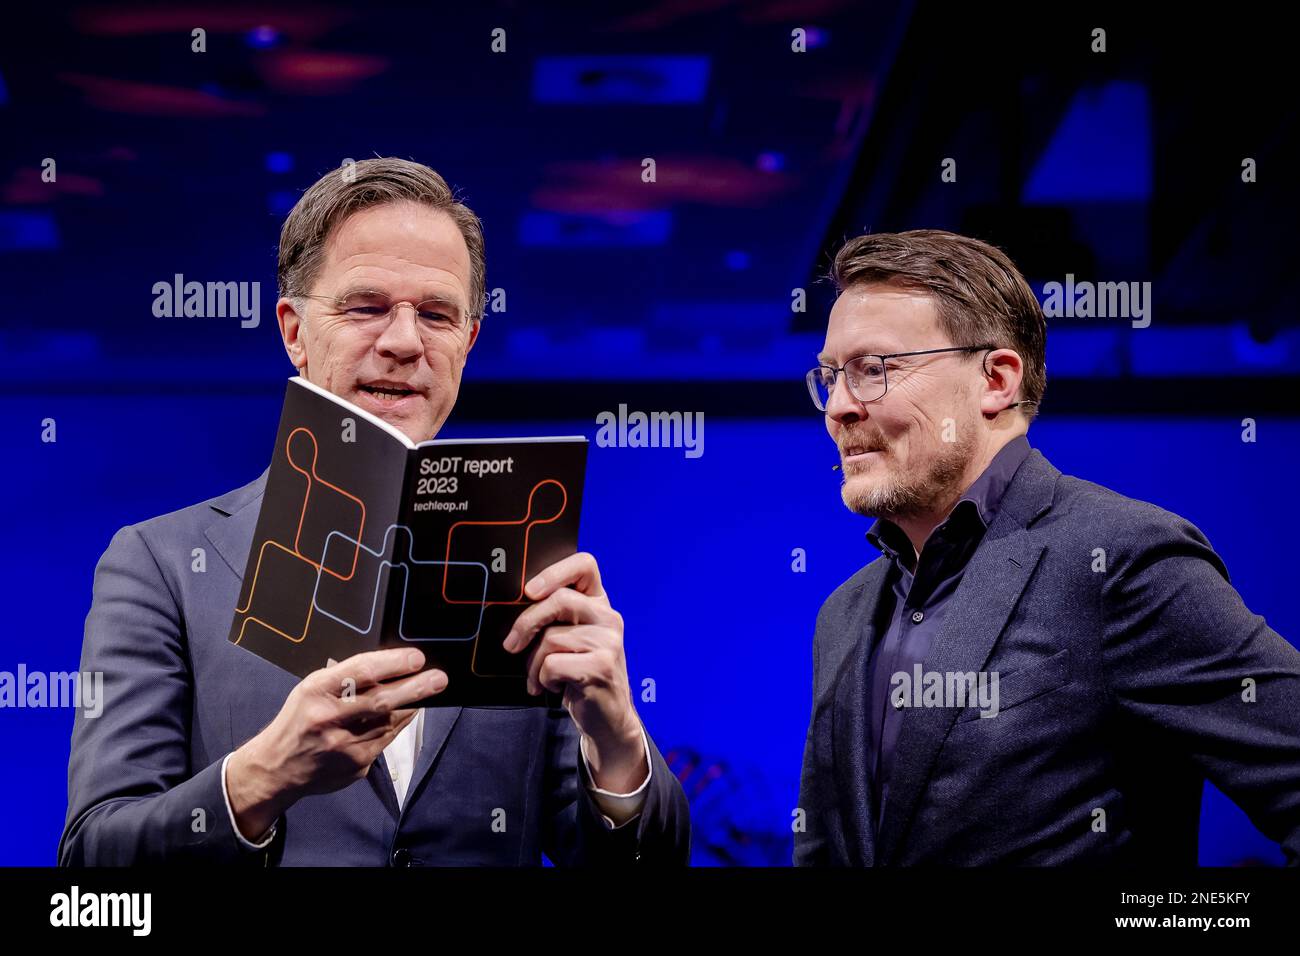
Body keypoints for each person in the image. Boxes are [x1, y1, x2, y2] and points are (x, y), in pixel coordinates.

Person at [59, 158, 690, 866]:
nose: (403, 341)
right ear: (294, 331)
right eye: (365, 307)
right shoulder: (158, 566)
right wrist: (263, 777)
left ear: (468, 343)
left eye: (436, 314)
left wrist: (616, 741)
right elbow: (91, 868)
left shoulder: (527, 570)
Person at [795, 228, 1300, 865]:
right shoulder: (844, 613)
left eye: (873, 370)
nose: (837, 405)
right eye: (831, 376)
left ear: (996, 380)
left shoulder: (1122, 560)